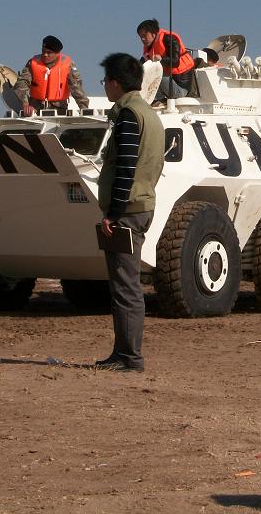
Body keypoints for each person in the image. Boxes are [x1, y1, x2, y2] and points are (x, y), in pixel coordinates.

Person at [95, 53, 165, 373]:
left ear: (114, 82)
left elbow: (124, 169)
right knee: (127, 283)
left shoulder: (127, 115)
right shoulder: (148, 114)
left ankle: (129, 357)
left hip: (127, 210)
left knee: (125, 285)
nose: (105, 87)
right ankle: (122, 352)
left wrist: (112, 213)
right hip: (141, 204)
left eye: (105, 81)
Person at [13, 35, 89, 116]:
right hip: (35, 109)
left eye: (49, 52)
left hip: (59, 110)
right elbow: (22, 83)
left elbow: (76, 88)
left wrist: (84, 109)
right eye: (43, 51)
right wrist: (25, 104)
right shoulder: (32, 63)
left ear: (57, 54)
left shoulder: (68, 65)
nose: (45, 55)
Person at [137, 18, 194, 102]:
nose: (142, 39)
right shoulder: (149, 48)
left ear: (153, 33)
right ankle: (155, 100)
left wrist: (161, 59)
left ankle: (158, 99)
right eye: (140, 37)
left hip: (180, 90)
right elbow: (142, 64)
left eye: (144, 36)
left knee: (156, 76)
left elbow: (175, 62)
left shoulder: (170, 39)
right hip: (166, 88)